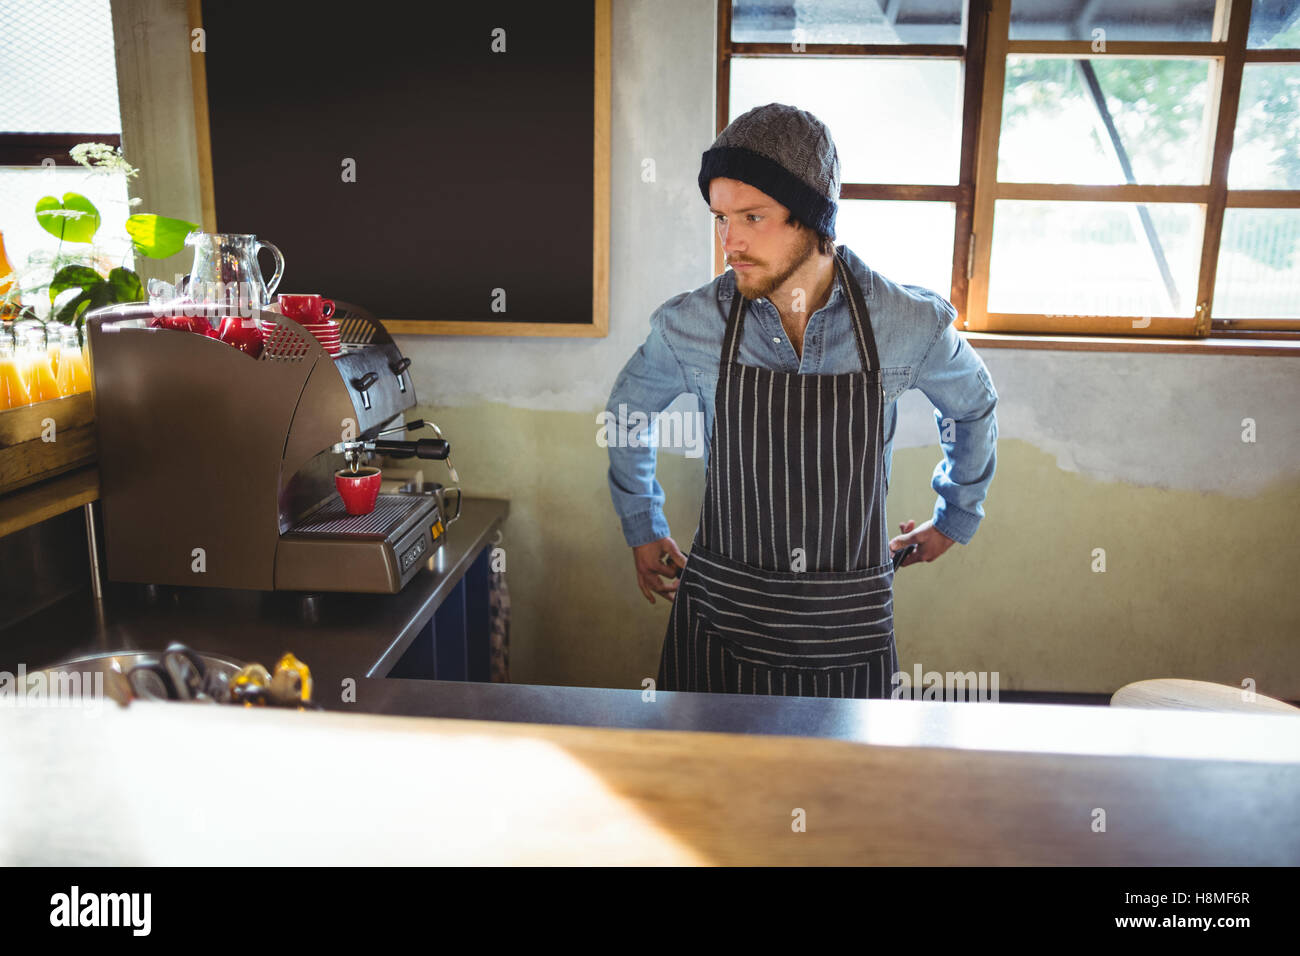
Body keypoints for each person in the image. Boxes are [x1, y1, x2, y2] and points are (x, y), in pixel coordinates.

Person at [604, 103, 998, 699]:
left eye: (752, 217)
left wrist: (955, 516)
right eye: (720, 218)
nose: (729, 241)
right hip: (719, 630)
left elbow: (972, 407)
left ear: (811, 217)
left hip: (848, 636)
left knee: (841, 792)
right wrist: (641, 521)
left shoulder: (904, 322)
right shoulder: (697, 323)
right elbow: (628, 412)